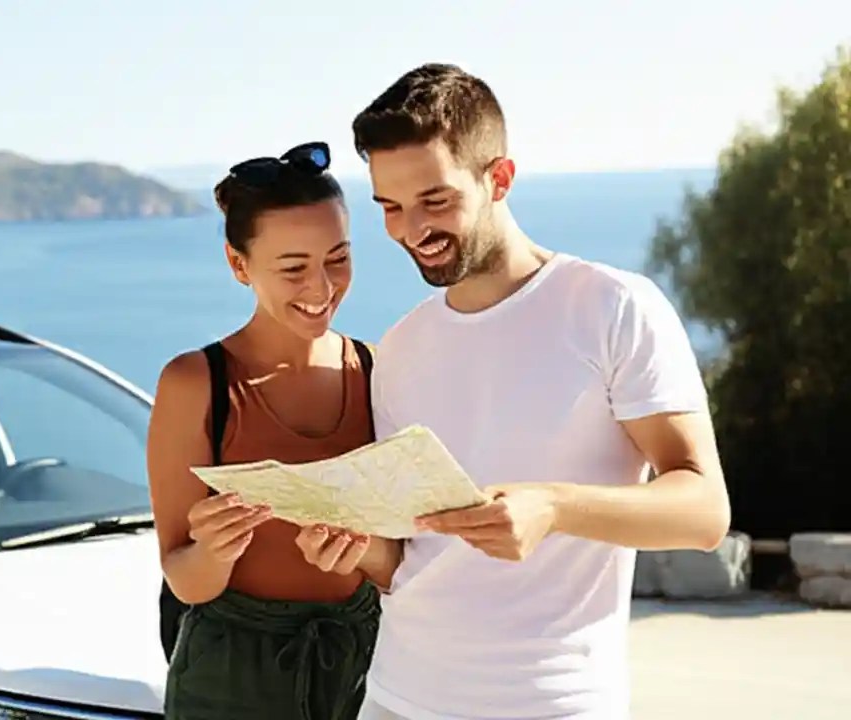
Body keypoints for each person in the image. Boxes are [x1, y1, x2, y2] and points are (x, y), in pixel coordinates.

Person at [297, 64, 732, 719]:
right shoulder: (402, 347)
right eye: (390, 207)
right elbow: (413, 558)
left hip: (552, 704)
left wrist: (553, 507)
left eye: (435, 200)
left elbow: (704, 512)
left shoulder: (613, 308)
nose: (412, 229)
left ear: (499, 178)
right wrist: (356, 548)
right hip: (396, 698)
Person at [146, 141, 402, 720]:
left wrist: (364, 552)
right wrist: (214, 551)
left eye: (338, 258)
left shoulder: (380, 370)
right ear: (239, 265)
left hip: (371, 664)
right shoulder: (195, 383)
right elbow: (185, 579)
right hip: (230, 679)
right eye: (293, 268)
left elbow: (402, 567)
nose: (322, 288)